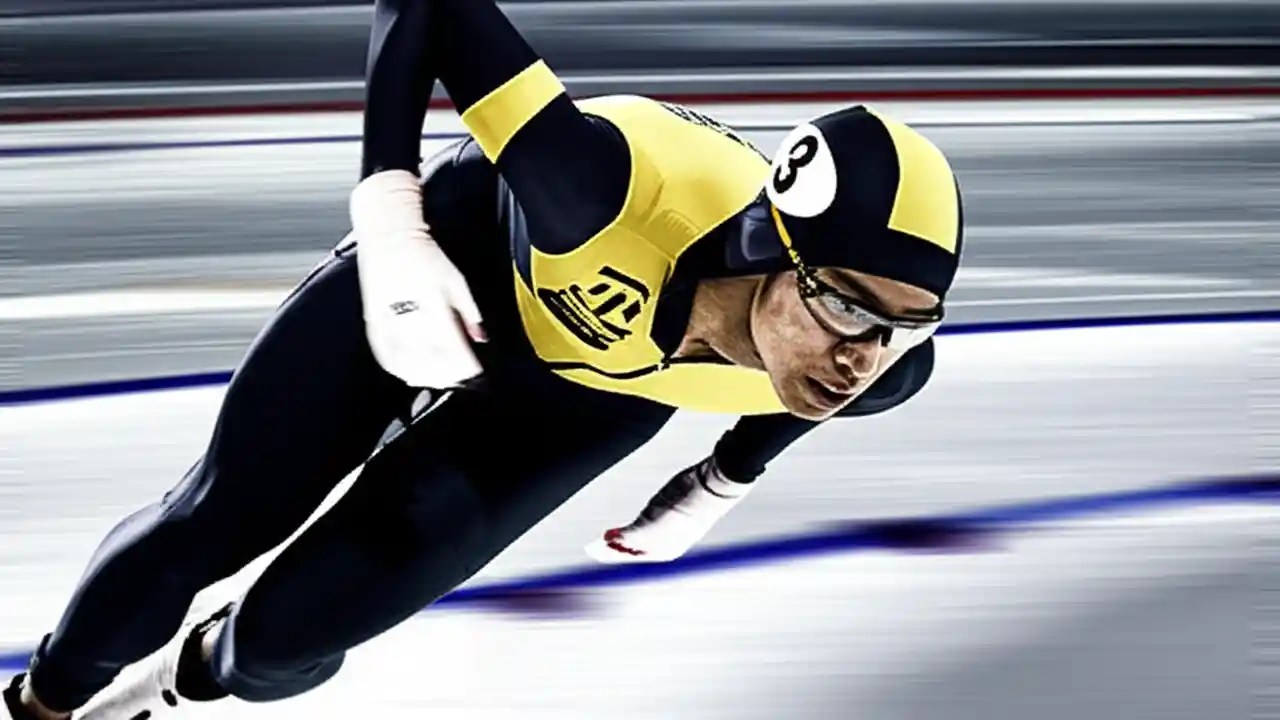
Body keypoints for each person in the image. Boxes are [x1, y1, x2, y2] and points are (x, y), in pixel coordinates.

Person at [3, 0, 963, 717]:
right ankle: (40, 705)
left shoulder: (880, 364)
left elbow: (837, 368)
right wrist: (387, 219)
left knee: (286, 644)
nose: (863, 355)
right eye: (845, 306)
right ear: (772, 253)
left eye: (905, 325)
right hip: (458, 258)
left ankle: (168, 689)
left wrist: (722, 479)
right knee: (214, 524)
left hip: (578, 398)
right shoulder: (597, 191)